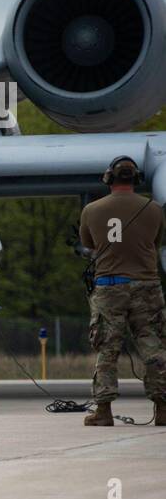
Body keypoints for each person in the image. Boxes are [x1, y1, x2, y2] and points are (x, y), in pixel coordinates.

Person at [78, 156, 166, 426]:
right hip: (147, 286)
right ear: (136, 179)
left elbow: (88, 244)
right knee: (154, 346)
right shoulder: (154, 210)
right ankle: (163, 408)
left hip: (109, 287)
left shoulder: (92, 210)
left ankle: (103, 410)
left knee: (107, 349)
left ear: (109, 179)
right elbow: (157, 241)